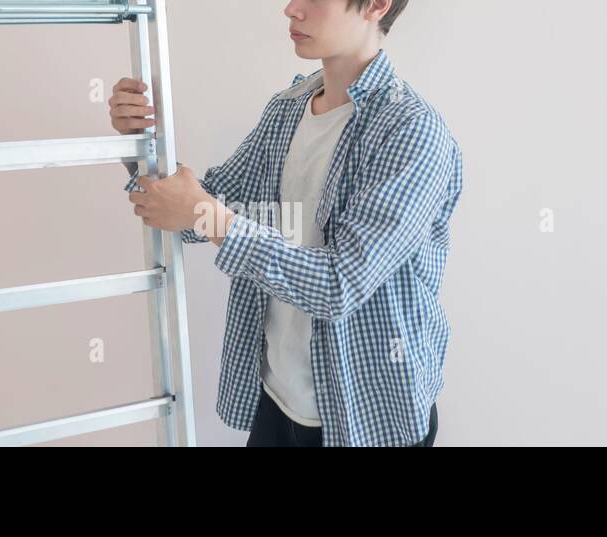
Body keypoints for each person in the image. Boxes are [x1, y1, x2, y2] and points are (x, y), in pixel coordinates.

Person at [111, 0, 461, 447]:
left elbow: (340, 284)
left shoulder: (412, 132)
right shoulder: (286, 112)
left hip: (368, 418)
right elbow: (196, 213)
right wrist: (141, 141)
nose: (291, 9)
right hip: (277, 403)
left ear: (376, 5)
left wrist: (210, 215)